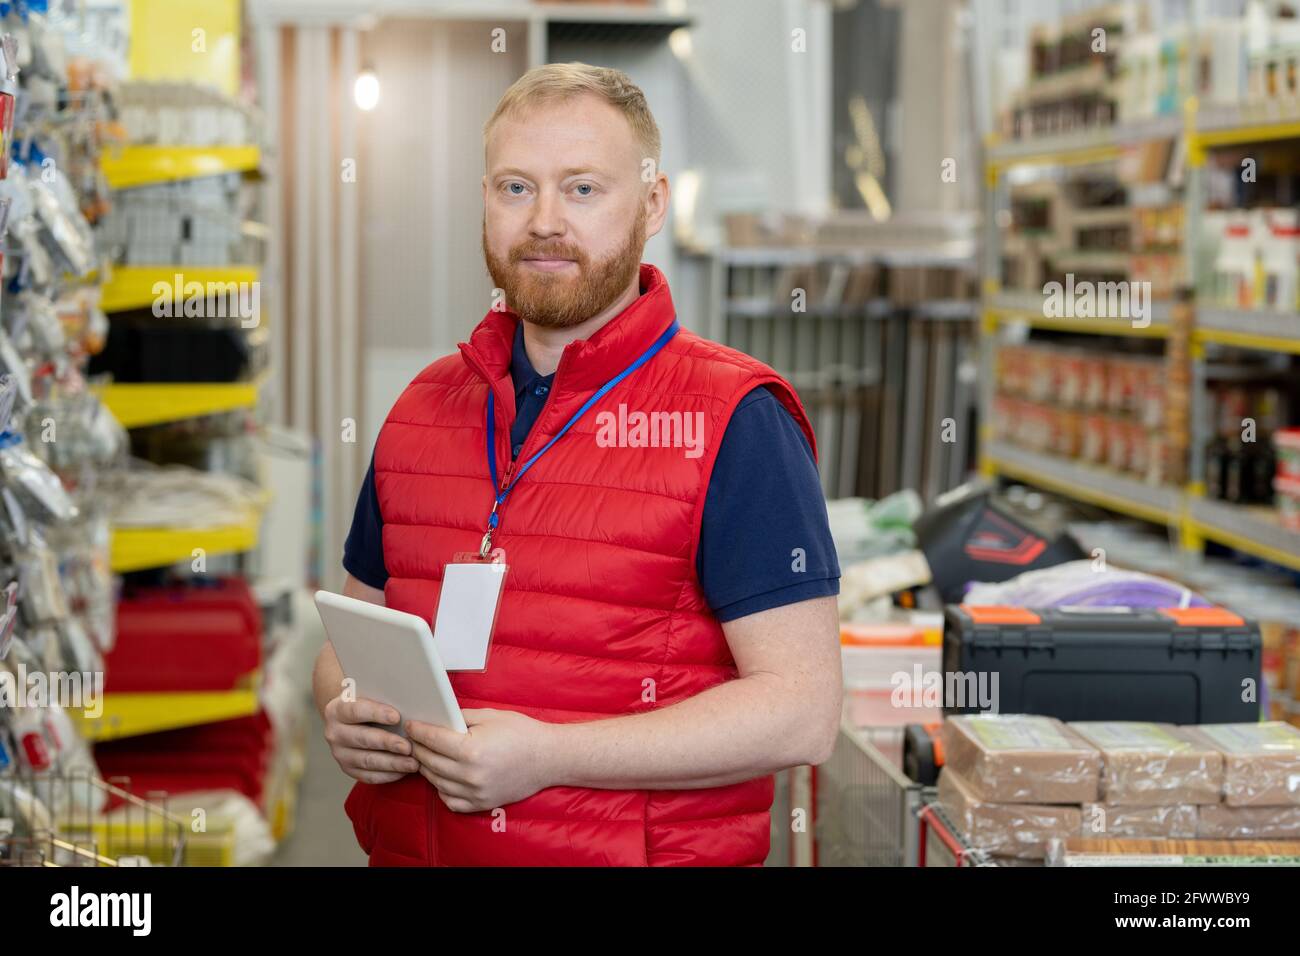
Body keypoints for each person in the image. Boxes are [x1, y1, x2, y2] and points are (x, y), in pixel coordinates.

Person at [313, 62, 842, 866]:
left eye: (583, 189)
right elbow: (351, 637)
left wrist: (552, 755)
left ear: (653, 202)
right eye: (515, 188)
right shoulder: (424, 405)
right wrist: (345, 705)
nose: (545, 222)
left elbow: (802, 710)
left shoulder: (737, 419)